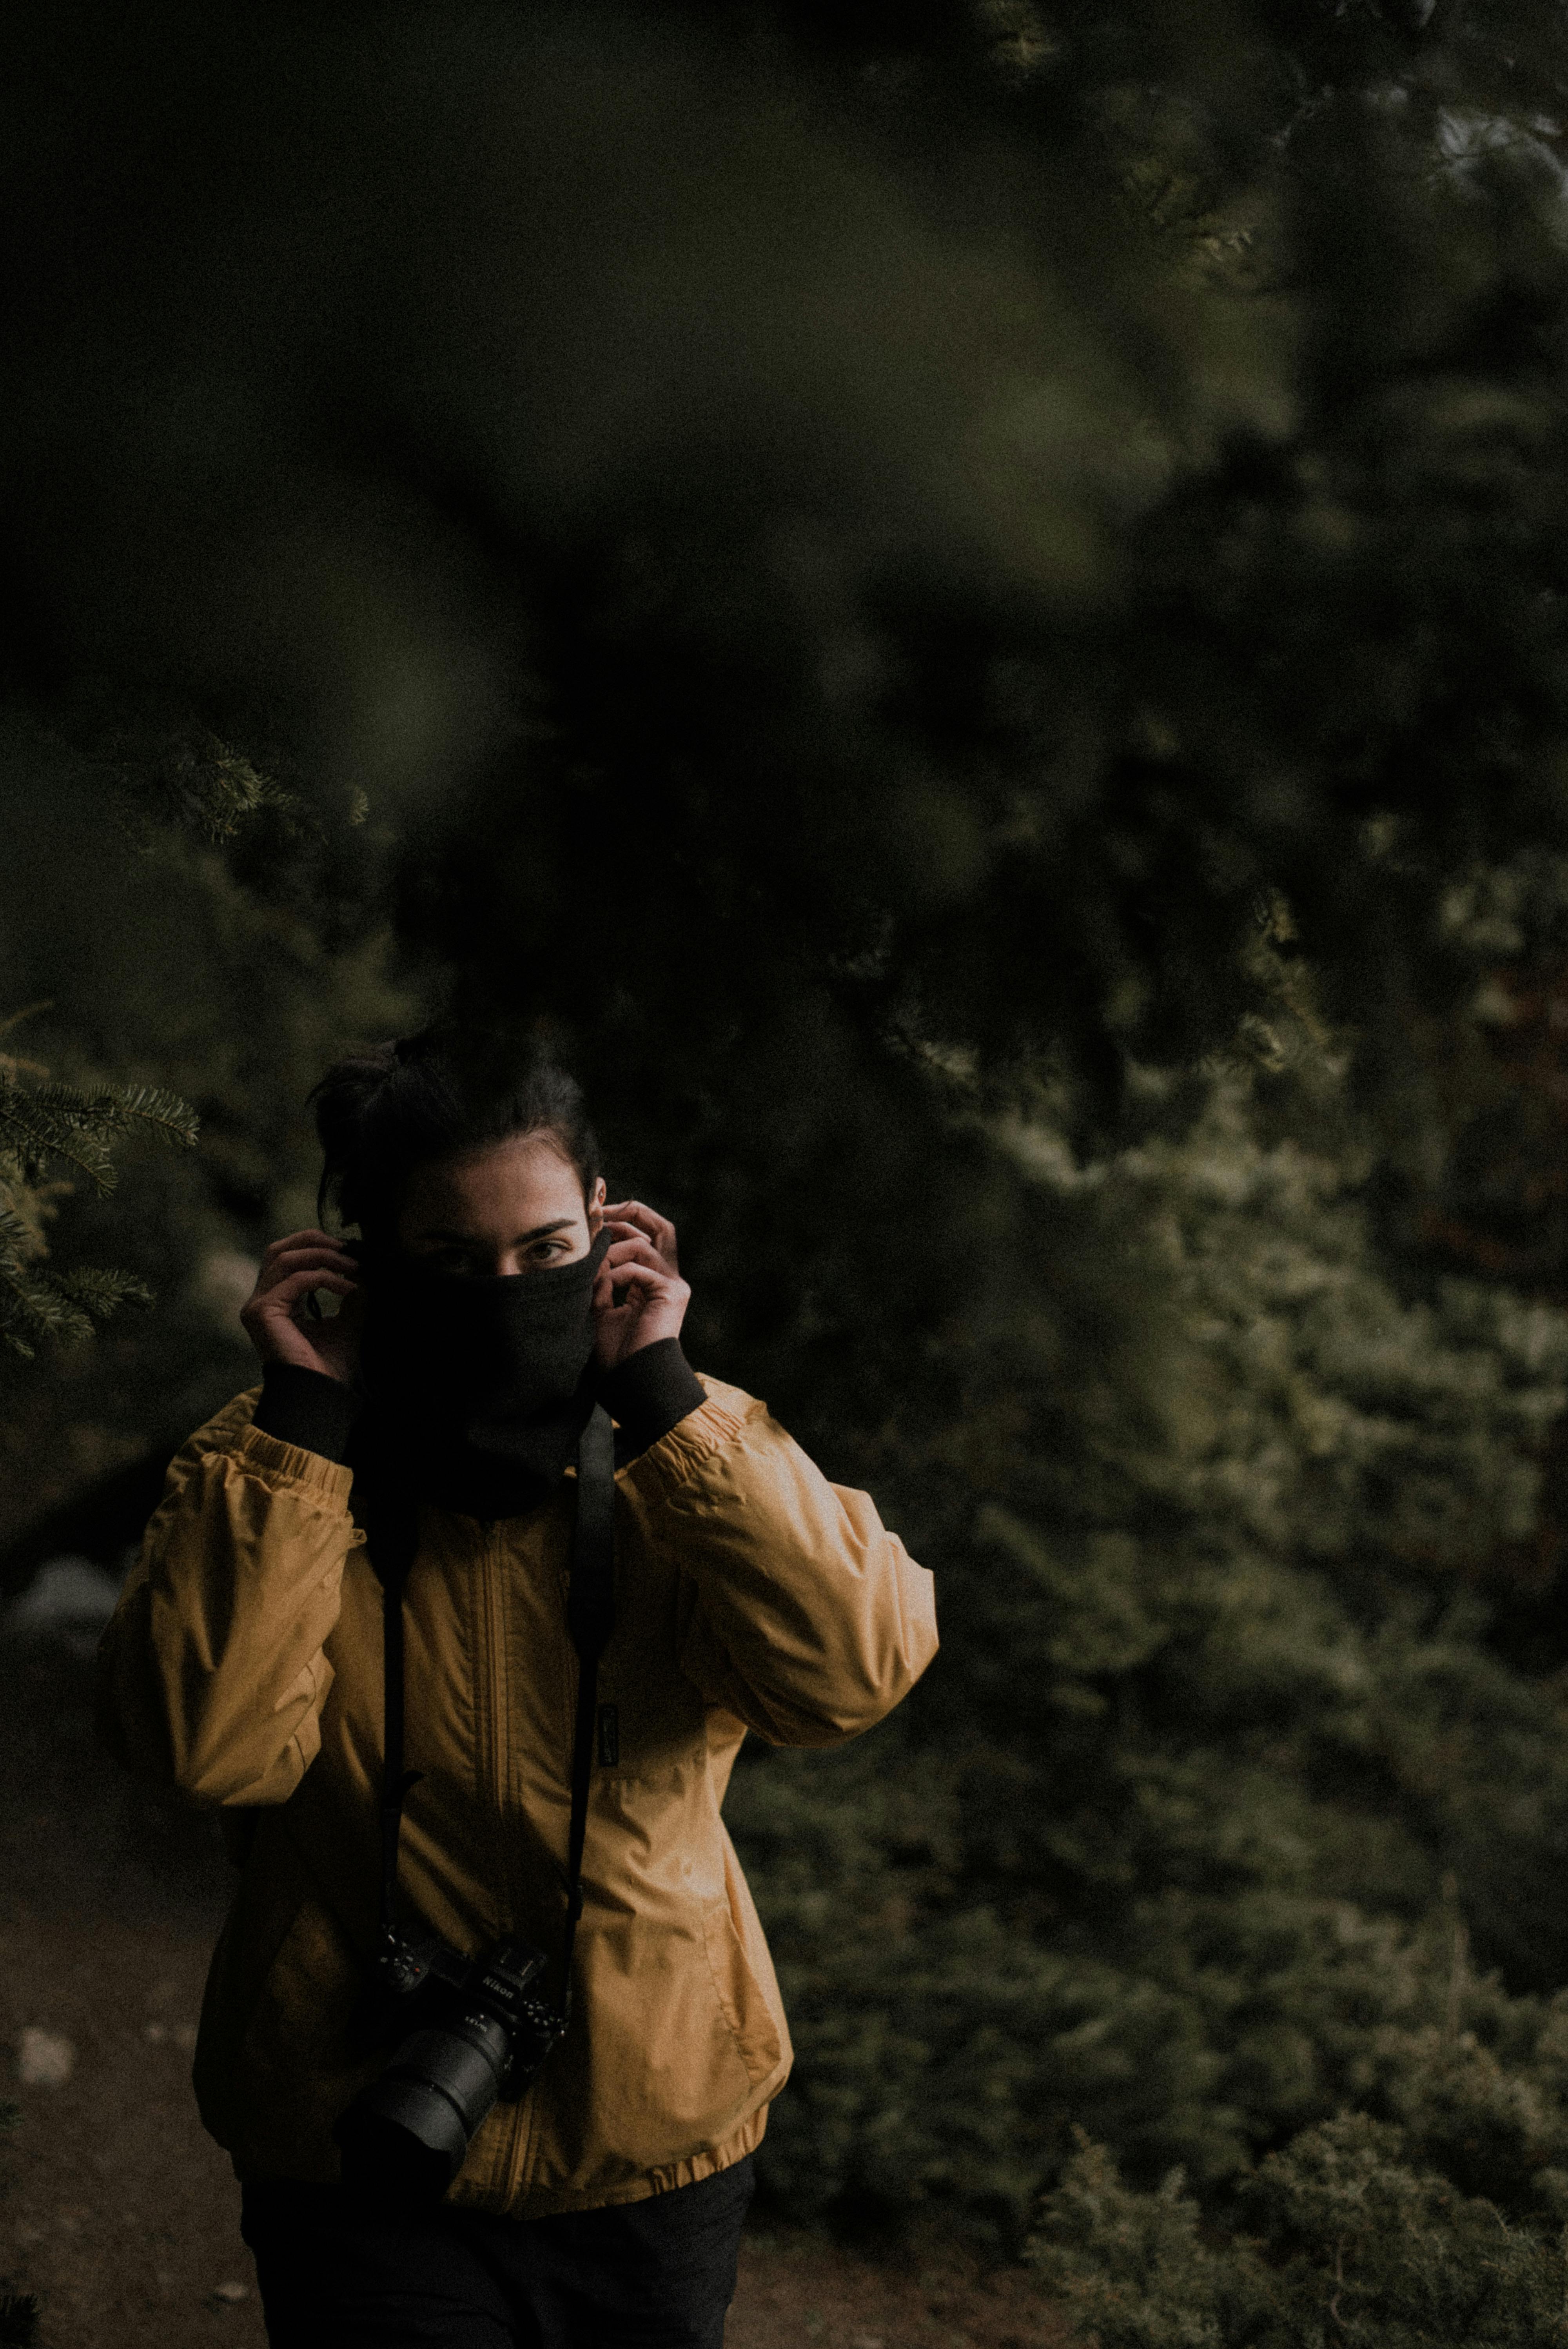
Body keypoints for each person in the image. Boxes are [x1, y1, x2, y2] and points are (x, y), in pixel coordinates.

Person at [96, 1027, 938, 2348]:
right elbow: (202, 1750)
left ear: (609, 1232)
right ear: (364, 1261)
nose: (504, 1291)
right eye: (448, 1260)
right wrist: (304, 1436)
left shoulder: (690, 1453)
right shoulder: (270, 1470)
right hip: (355, 2129)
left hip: (654, 2142)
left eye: (544, 1251)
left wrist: (663, 1401)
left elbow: (850, 1676)